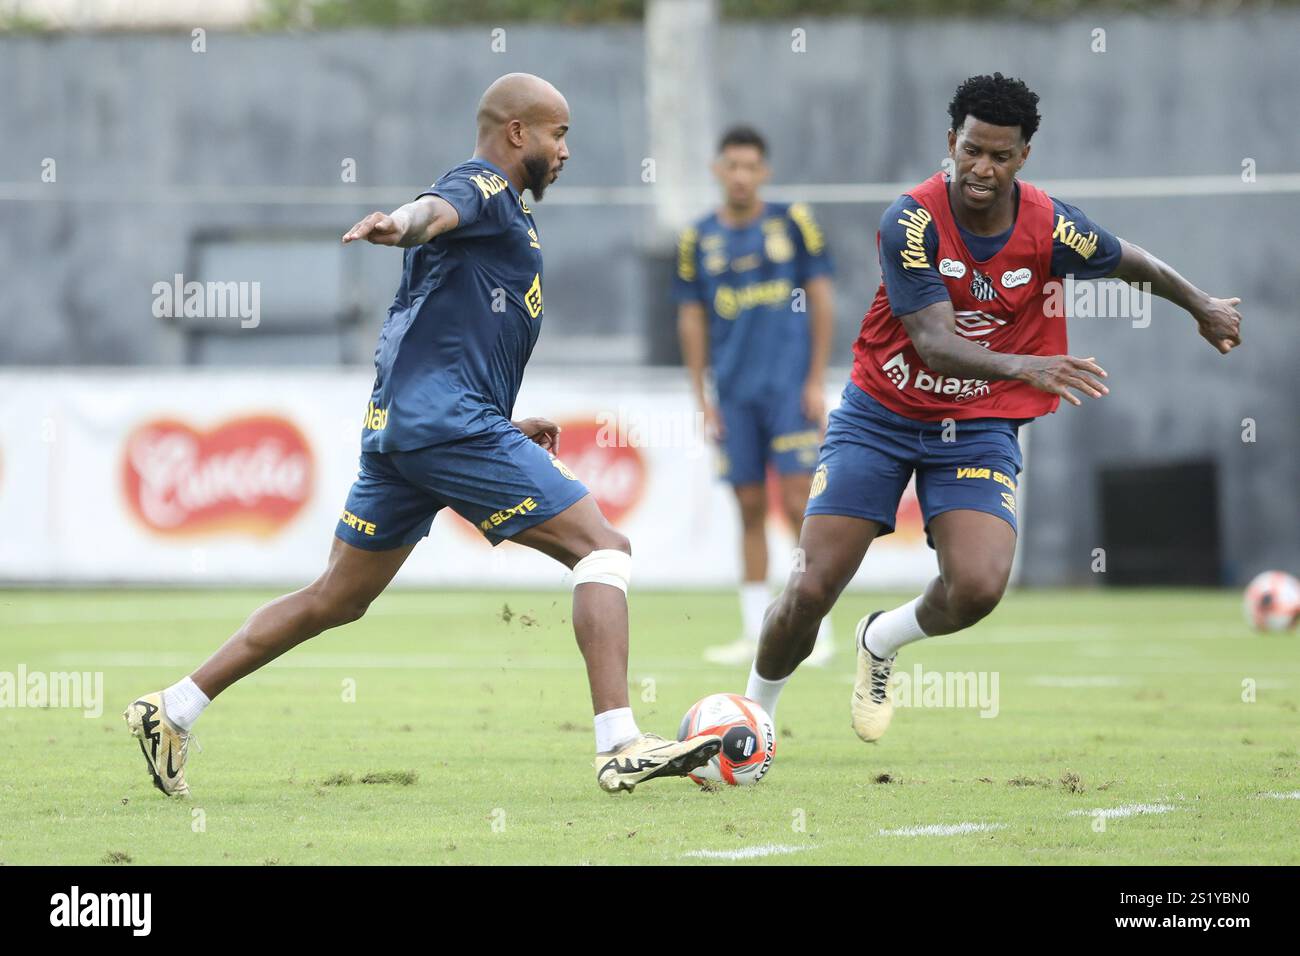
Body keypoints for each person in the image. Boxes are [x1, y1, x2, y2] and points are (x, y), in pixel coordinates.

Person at [124, 73, 721, 798]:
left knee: (336, 597)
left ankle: (173, 709)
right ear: (517, 133)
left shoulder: (507, 216)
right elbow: (435, 210)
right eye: (559, 135)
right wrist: (397, 224)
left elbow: (448, 327)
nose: (566, 152)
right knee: (603, 549)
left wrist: (501, 421)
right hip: (443, 426)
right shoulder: (485, 187)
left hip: (411, 428)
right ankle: (619, 742)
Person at [742, 73, 1242, 737]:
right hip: (880, 416)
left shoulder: (1052, 224)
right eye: (971, 150)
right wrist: (1029, 365)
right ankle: (754, 716)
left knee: (977, 588)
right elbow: (935, 342)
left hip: (976, 425)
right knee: (808, 589)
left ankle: (881, 639)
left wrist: (1201, 304)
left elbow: (1132, 262)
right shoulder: (911, 220)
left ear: (1024, 156)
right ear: (951, 141)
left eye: (1000, 156)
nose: (982, 168)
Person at [675, 125, 837, 667]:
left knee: (797, 505)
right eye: (731, 166)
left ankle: (815, 629)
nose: (741, 176)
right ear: (717, 171)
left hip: (789, 389)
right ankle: (755, 630)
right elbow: (692, 318)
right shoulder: (698, 239)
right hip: (735, 397)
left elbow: (820, 299)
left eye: (750, 167)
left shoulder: (793, 222)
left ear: (763, 172)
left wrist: (815, 380)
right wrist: (702, 396)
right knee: (747, 508)